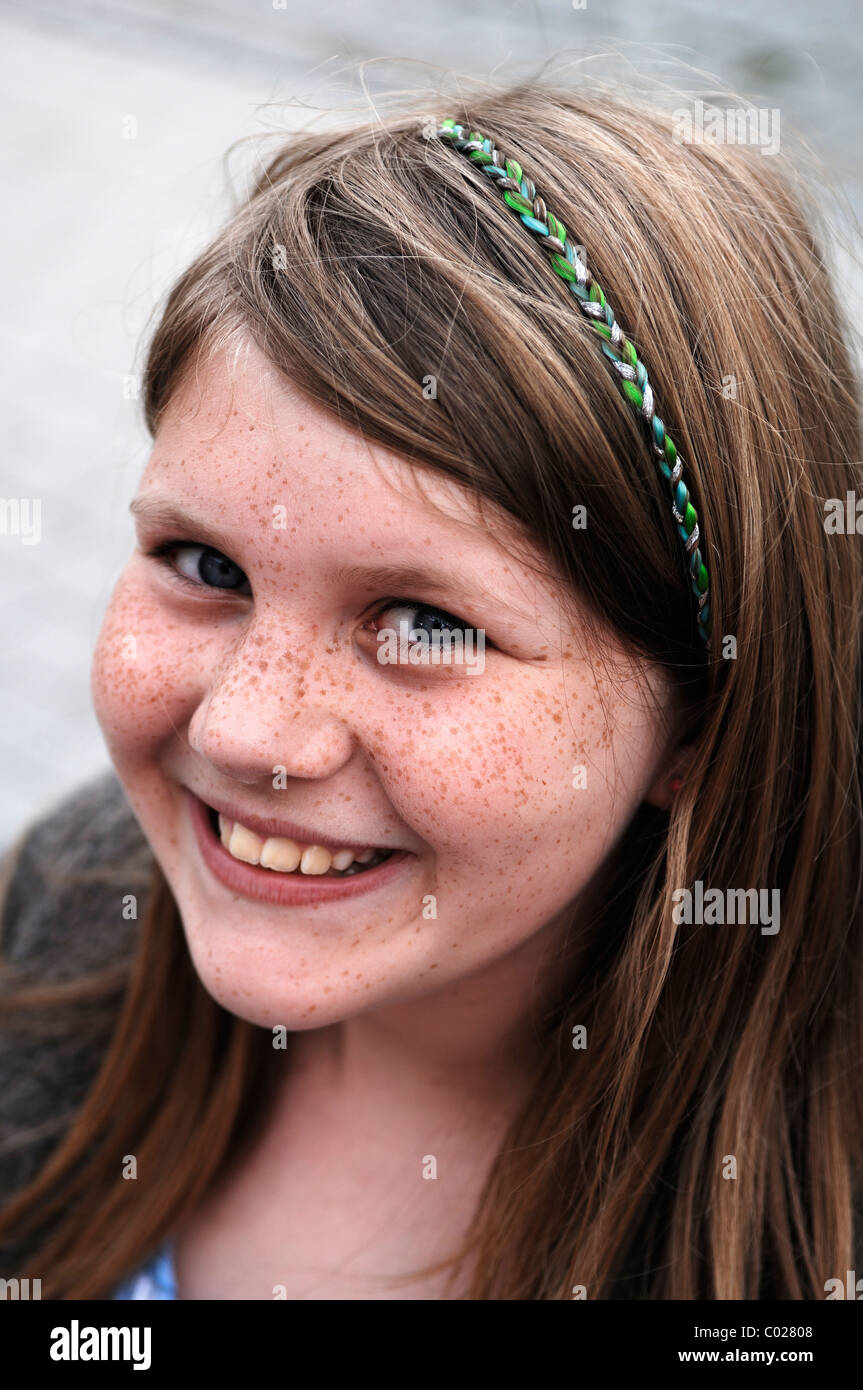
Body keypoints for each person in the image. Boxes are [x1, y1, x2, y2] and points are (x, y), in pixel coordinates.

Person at [2, 79, 862, 1300]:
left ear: (706, 721)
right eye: (207, 566)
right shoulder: (59, 919)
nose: (249, 727)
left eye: (421, 621)